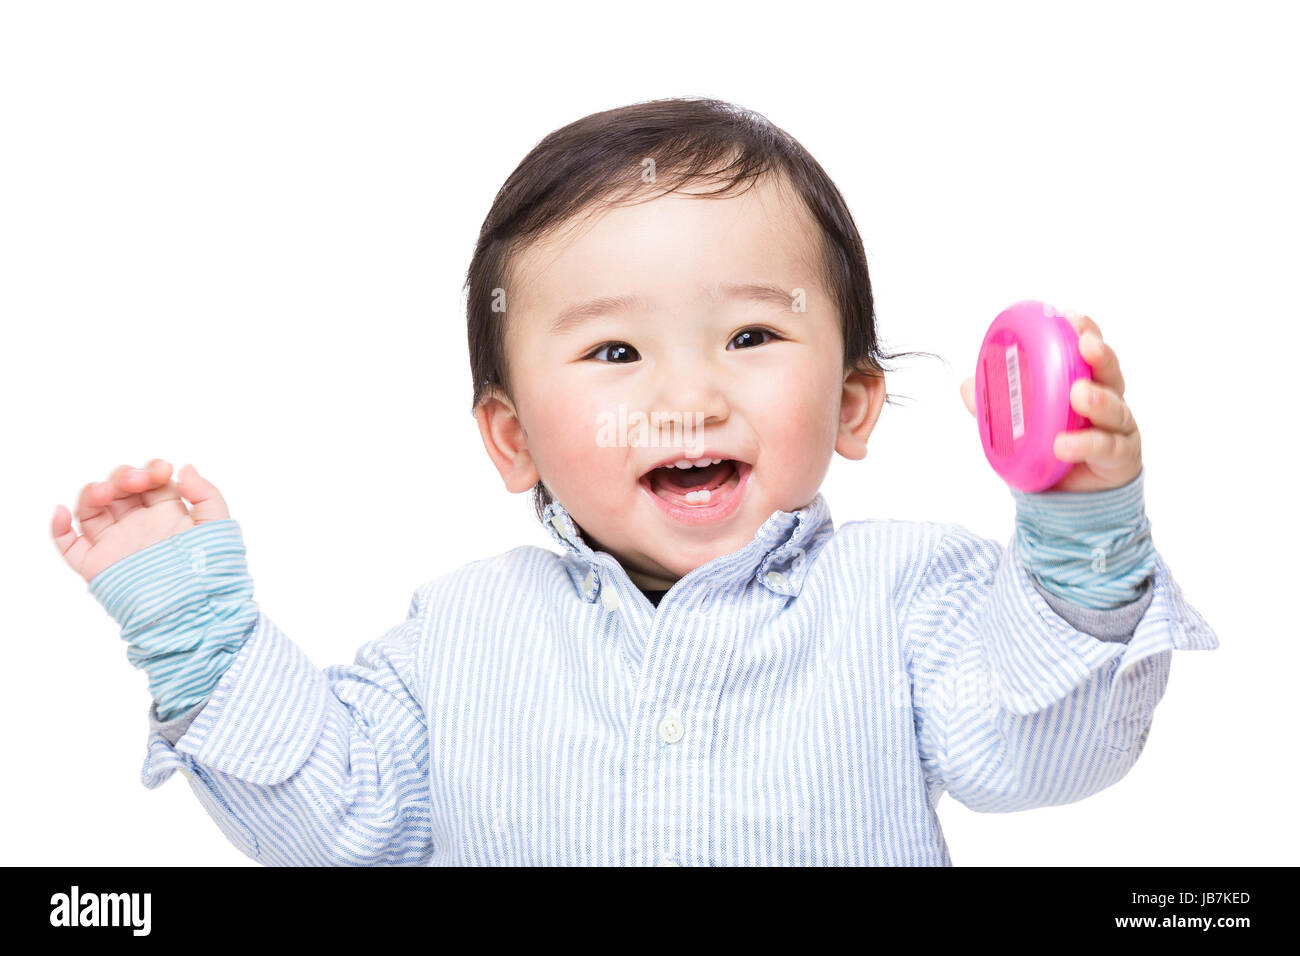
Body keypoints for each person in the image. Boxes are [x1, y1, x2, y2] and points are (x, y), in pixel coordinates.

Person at [51, 97, 1219, 866]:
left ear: (853, 403)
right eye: (615, 352)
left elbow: (1045, 749)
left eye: (752, 336)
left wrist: (1078, 536)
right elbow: (341, 815)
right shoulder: (464, 629)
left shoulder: (904, 594)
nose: (691, 396)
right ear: (511, 439)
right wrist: (198, 634)